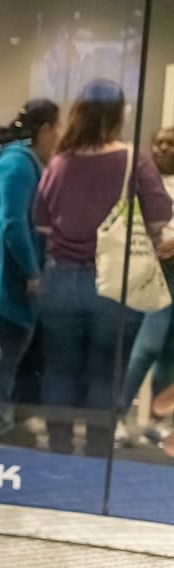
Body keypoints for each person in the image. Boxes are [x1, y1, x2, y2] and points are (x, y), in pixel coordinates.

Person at [34, 80, 173, 457]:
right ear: (117, 115)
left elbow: (42, 223)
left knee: (60, 369)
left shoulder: (60, 162)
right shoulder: (132, 160)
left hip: (61, 278)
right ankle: (97, 456)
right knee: (104, 372)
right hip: (115, 281)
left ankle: (59, 449)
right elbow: (161, 215)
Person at [0, 99, 60, 447]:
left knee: (6, 345)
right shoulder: (19, 165)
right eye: (56, 128)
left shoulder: (13, 161)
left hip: (7, 268)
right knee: (7, 346)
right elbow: (12, 224)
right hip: (11, 271)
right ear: (46, 129)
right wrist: (33, 272)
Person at [117, 126, 174, 448]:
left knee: (170, 353)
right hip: (154, 273)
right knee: (147, 347)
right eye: (159, 142)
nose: (163, 148)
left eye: (171, 144)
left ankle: (156, 422)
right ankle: (117, 416)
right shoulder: (142, 183)